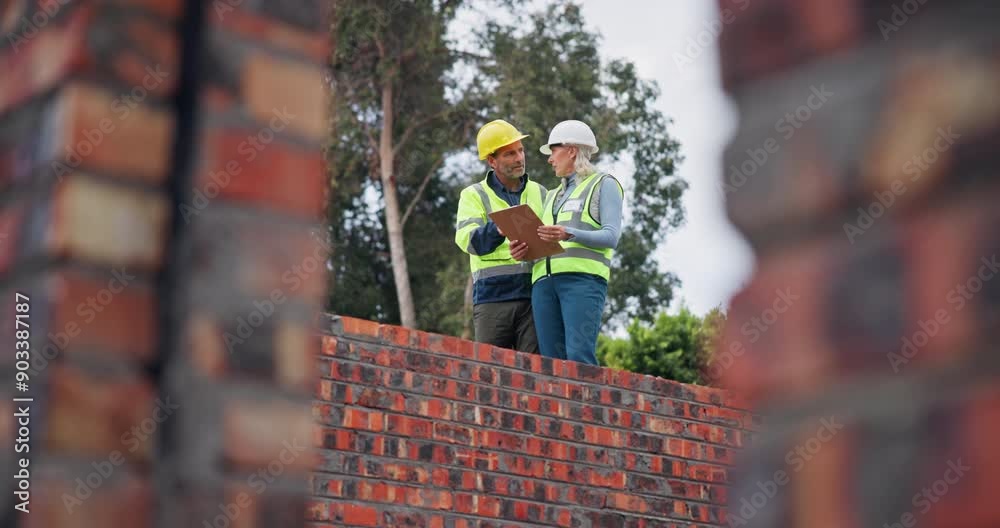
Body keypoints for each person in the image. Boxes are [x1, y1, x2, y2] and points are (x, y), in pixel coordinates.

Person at [525, 119, 624, 365]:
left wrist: (569, 233)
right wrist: (524, 251)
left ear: (571, 150)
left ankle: (587, 404)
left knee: (579, 359)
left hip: (582, 282)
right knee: (549, 365)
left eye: (553, 151)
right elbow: (544, 242)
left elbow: (611, 236)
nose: (550, 159)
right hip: (543, 286)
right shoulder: (552, 196)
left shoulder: (604, 184)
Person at [454, 120, 548, 353]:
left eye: (520, 150)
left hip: (534, 298)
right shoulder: (473, 195)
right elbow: (468, 240)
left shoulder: (540, 192)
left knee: (534, 373)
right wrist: (500, 227)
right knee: (491, 374)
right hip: (493, 299)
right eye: (509, 154)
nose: (519, 158)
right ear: (492, 161)